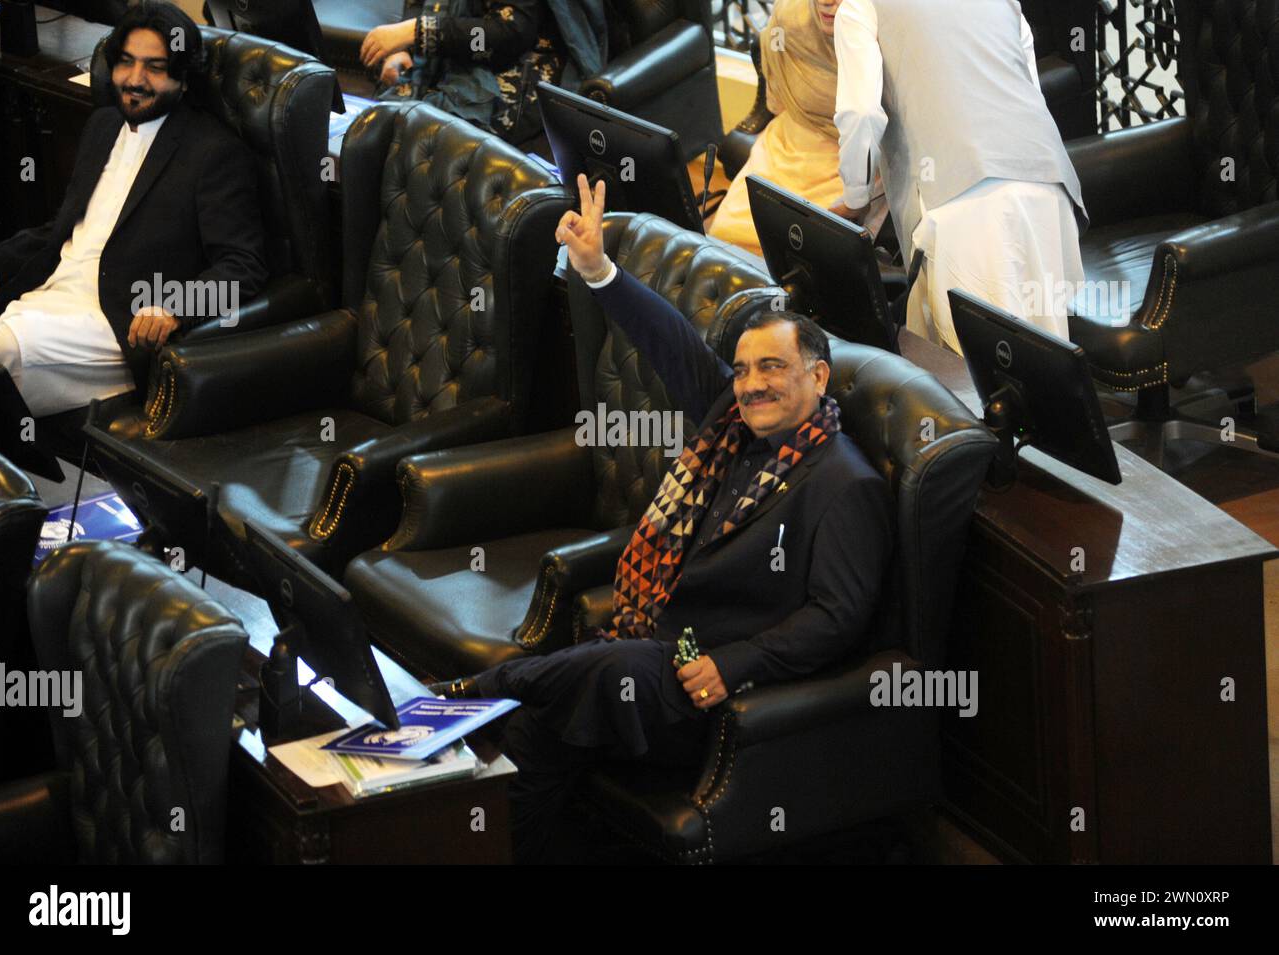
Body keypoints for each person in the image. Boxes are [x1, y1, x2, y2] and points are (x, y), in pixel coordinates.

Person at [433, 174, 896, 863]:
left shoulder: (844, 482)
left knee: (592, 669)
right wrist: (598, 270)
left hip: (713, 689)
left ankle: (470, 691)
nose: (752, 383)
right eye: (741, 370)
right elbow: (672, 342)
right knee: (538, 737)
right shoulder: (734, 422)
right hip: (662, 648)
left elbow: (838, 616)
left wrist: (732, 662)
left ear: (818, 377)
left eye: (773, 366)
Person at [0, 1, 267, 423]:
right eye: (127, 63)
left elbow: (245, 267)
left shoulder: (214, 154)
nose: (135, 80)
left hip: (115, 323)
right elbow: (66, 227)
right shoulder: (103, 125)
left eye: (154, 67)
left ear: (182, 79)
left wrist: (174, 306)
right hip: (52, 297)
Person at [831, 0, 1087, 354]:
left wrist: (856, 198)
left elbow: (860, 113)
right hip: (1045, 184)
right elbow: (1030, 91)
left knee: (969, 377)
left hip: (961, 205)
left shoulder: (862, 7)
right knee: (1047, 359)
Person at [710, 0, 887, 256]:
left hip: (854, 156)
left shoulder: (890, 34)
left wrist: (857, 195)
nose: (826, 2)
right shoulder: (790, 18)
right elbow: (777, 99)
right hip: (788, 143)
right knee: (726, 237)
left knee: (809, 253)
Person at [360, 0, 607, 148]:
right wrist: (403, 48)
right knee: (375, 130)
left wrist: (416, 32)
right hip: (451, 48)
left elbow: (510, 33)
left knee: (426, 139)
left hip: (520, 61)